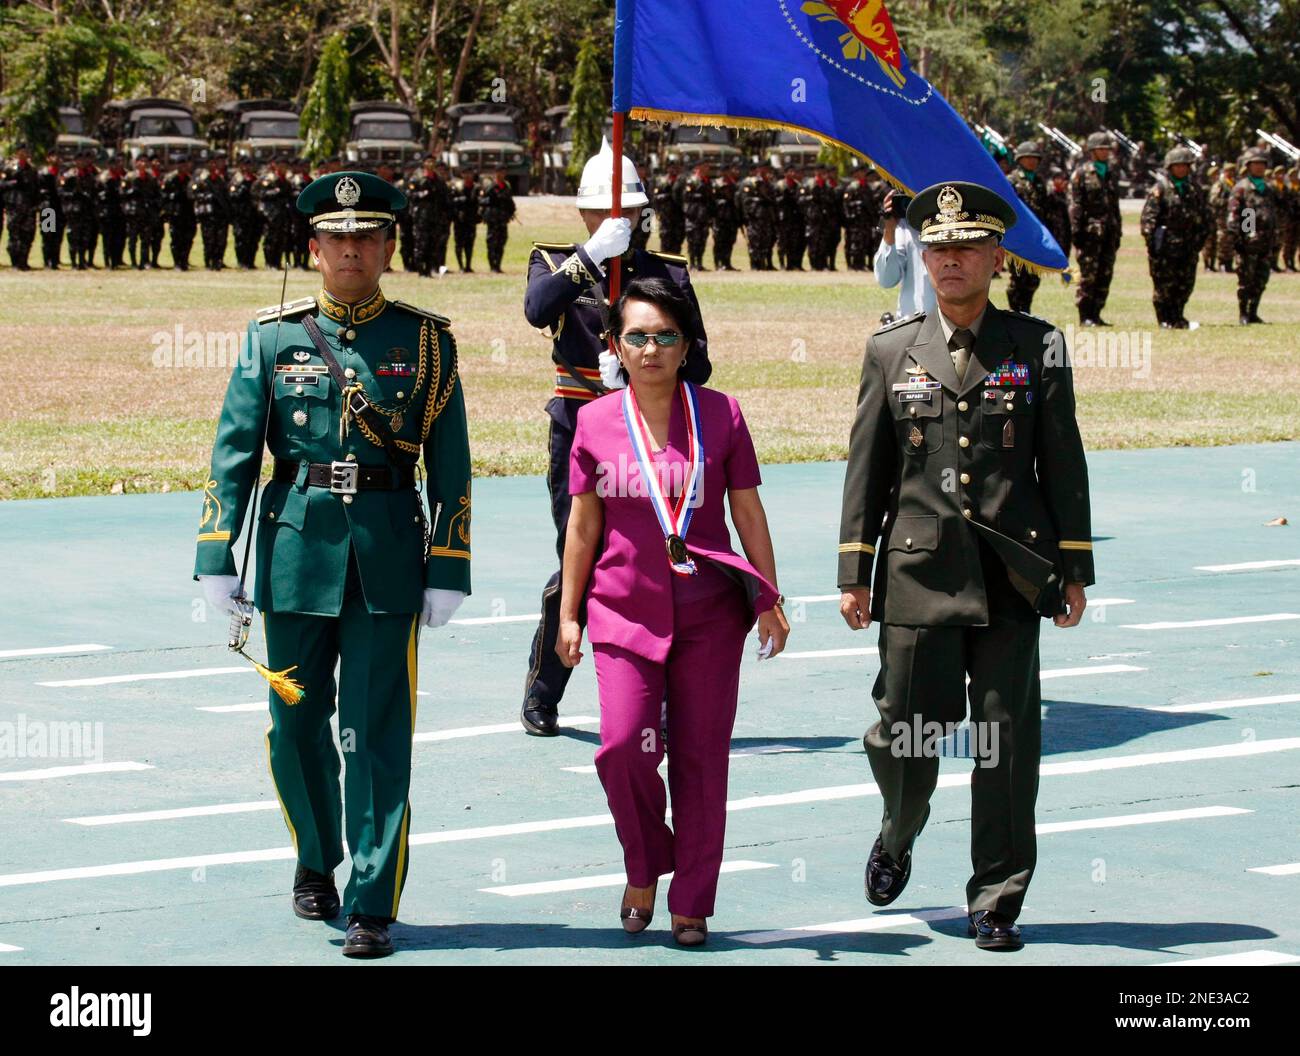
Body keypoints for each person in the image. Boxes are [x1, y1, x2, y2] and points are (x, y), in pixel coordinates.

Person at [193, 170, 471, 958]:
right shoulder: (271, 337)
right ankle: (316, 859)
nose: (351, 250)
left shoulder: (426, 341)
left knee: (378, 733)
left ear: (388, 247)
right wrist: (218, 553)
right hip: (294, 554)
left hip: (387, 555)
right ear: (313, 248)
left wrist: (448, 562)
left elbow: (450, 463)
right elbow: (234, 453)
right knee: (295, 729)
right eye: (336, 238)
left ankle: (372, 901)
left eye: (366, 238)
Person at [838, 180, 1094, 952]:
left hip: (1014, 573)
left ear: (994, 256)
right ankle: (898, 828)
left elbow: (1062, 460)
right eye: (939, 248)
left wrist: (1074, 565)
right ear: (925, 255)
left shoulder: (1037, 345)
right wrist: (855, 568)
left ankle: (996, 898)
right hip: (918, 574)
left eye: (966, 248)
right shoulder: (892, 348)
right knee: (906, 733)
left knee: (1006, 743)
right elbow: (868, 466)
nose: (950, 261)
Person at [557, 276, 789, 946]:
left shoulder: (721, 414)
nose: (651, 348)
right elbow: (582, 525)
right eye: (637, 336)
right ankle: (644, 863)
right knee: (624, 748)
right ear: (615, 347)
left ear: (687, 345)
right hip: (622, 611)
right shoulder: (595, 421)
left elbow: (747, 508)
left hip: (710, 612)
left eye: (665, 336)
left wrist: (769, 597)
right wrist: (569, 616)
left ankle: (693, 898)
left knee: (700, 759)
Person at [520, 139, 711, 737]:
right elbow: (535, 308)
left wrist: (643, 366)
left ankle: (646, 693)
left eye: (626, 212)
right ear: (582, 214)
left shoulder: (666, 275)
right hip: (578, 425)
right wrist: (589, 256)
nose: (615, 222)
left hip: (647, 432)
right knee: (576, 559)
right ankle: (546, 687)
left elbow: (701, 365)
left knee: (646, 563)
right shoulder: (556, 262)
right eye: (603, 212)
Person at [1140, 146, 1211, 329]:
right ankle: (1165, 318)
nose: (1181, 169)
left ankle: (1178, 316)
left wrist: (1200, 240)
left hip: (1188, 247)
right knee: (1165, 285)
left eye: (1185, 165)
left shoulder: (1194, 189)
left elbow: (1205, 216)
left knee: (1185, 284)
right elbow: (1149, 221)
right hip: (1166, 248)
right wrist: (1154, 246)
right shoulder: (1160, 189)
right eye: (1177, 166)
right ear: (1170, 167)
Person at [1068, 131, 1122, 326]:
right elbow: (1075, 206)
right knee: (1089, 276)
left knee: (1105, 274)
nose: (1105, 152)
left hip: (1109, 233)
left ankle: (1097, 313)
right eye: (1101, 149)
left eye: (1107, 149)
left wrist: (1118, 231)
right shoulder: (1081, 174)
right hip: (1089, 235)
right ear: (1092, 151)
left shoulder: (1111, 173)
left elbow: (1115, 206)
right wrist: (1077, 233)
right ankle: (1085, 315)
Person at [1227, 148, 1278, 325]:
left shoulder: (1269, 189)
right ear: (1248, 166)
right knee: (1245, 280)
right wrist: (1239, 240)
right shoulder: (1242, 188)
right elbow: (1235, 216)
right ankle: (1243, 313)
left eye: (1262, 164)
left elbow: (1274, 213)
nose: (1259, 167)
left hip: (1266, 242)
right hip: (1247, 244)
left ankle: (1253, 312)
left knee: (1261, 279)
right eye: (1255, 164)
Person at [873, 188, 935, 319]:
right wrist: (889, 230)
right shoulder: (905, 223)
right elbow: (887, 279)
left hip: (957, 324)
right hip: (914, 323)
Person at [1005, 142, 1050, 314]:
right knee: (1018, 277)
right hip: (1017, 238)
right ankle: (1015, 311)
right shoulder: (1011, 181)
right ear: (1020, 159)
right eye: (1028, 158)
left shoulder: (1039, 182)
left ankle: (1026, 311)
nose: (1032, 161)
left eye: (1035, 158)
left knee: (1033, 278)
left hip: (1035, 238)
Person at [0, 143, 39, 270]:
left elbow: (35, 188)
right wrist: (13, 183)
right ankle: (15, 262)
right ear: (17, 152)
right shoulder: (8, 168)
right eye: (22, 151)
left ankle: (24, 261)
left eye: (26, 151)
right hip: (14, 206)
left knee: (27, 235)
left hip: (28, 207)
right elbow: (2, 185)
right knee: (14, 235)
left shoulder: (32, 169)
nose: (24, 153)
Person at [481, 165, 516, 273]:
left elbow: (510, 201)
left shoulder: (506, 185)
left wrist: (511, 211)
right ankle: (492, 266)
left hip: (503, 219)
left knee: (502, 241)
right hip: (493, 218)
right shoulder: (490, 185)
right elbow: (483, 199)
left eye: (503, 171)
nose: (502, 174)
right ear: (495, 172)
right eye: (499, 172)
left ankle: (498, 265)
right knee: (492, 242)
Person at [451, 168, 481, 272]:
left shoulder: (476, 188)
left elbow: (480, 202)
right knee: (459, 243)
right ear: (462, 174)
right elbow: (451, 201)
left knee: (470, 243)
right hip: (459, 220)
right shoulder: (457, 187)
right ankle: (460, 266)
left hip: (471, 219)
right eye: (465, 173)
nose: (468, 175)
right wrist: (459, 200)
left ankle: (468, 265)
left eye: (470, 173)